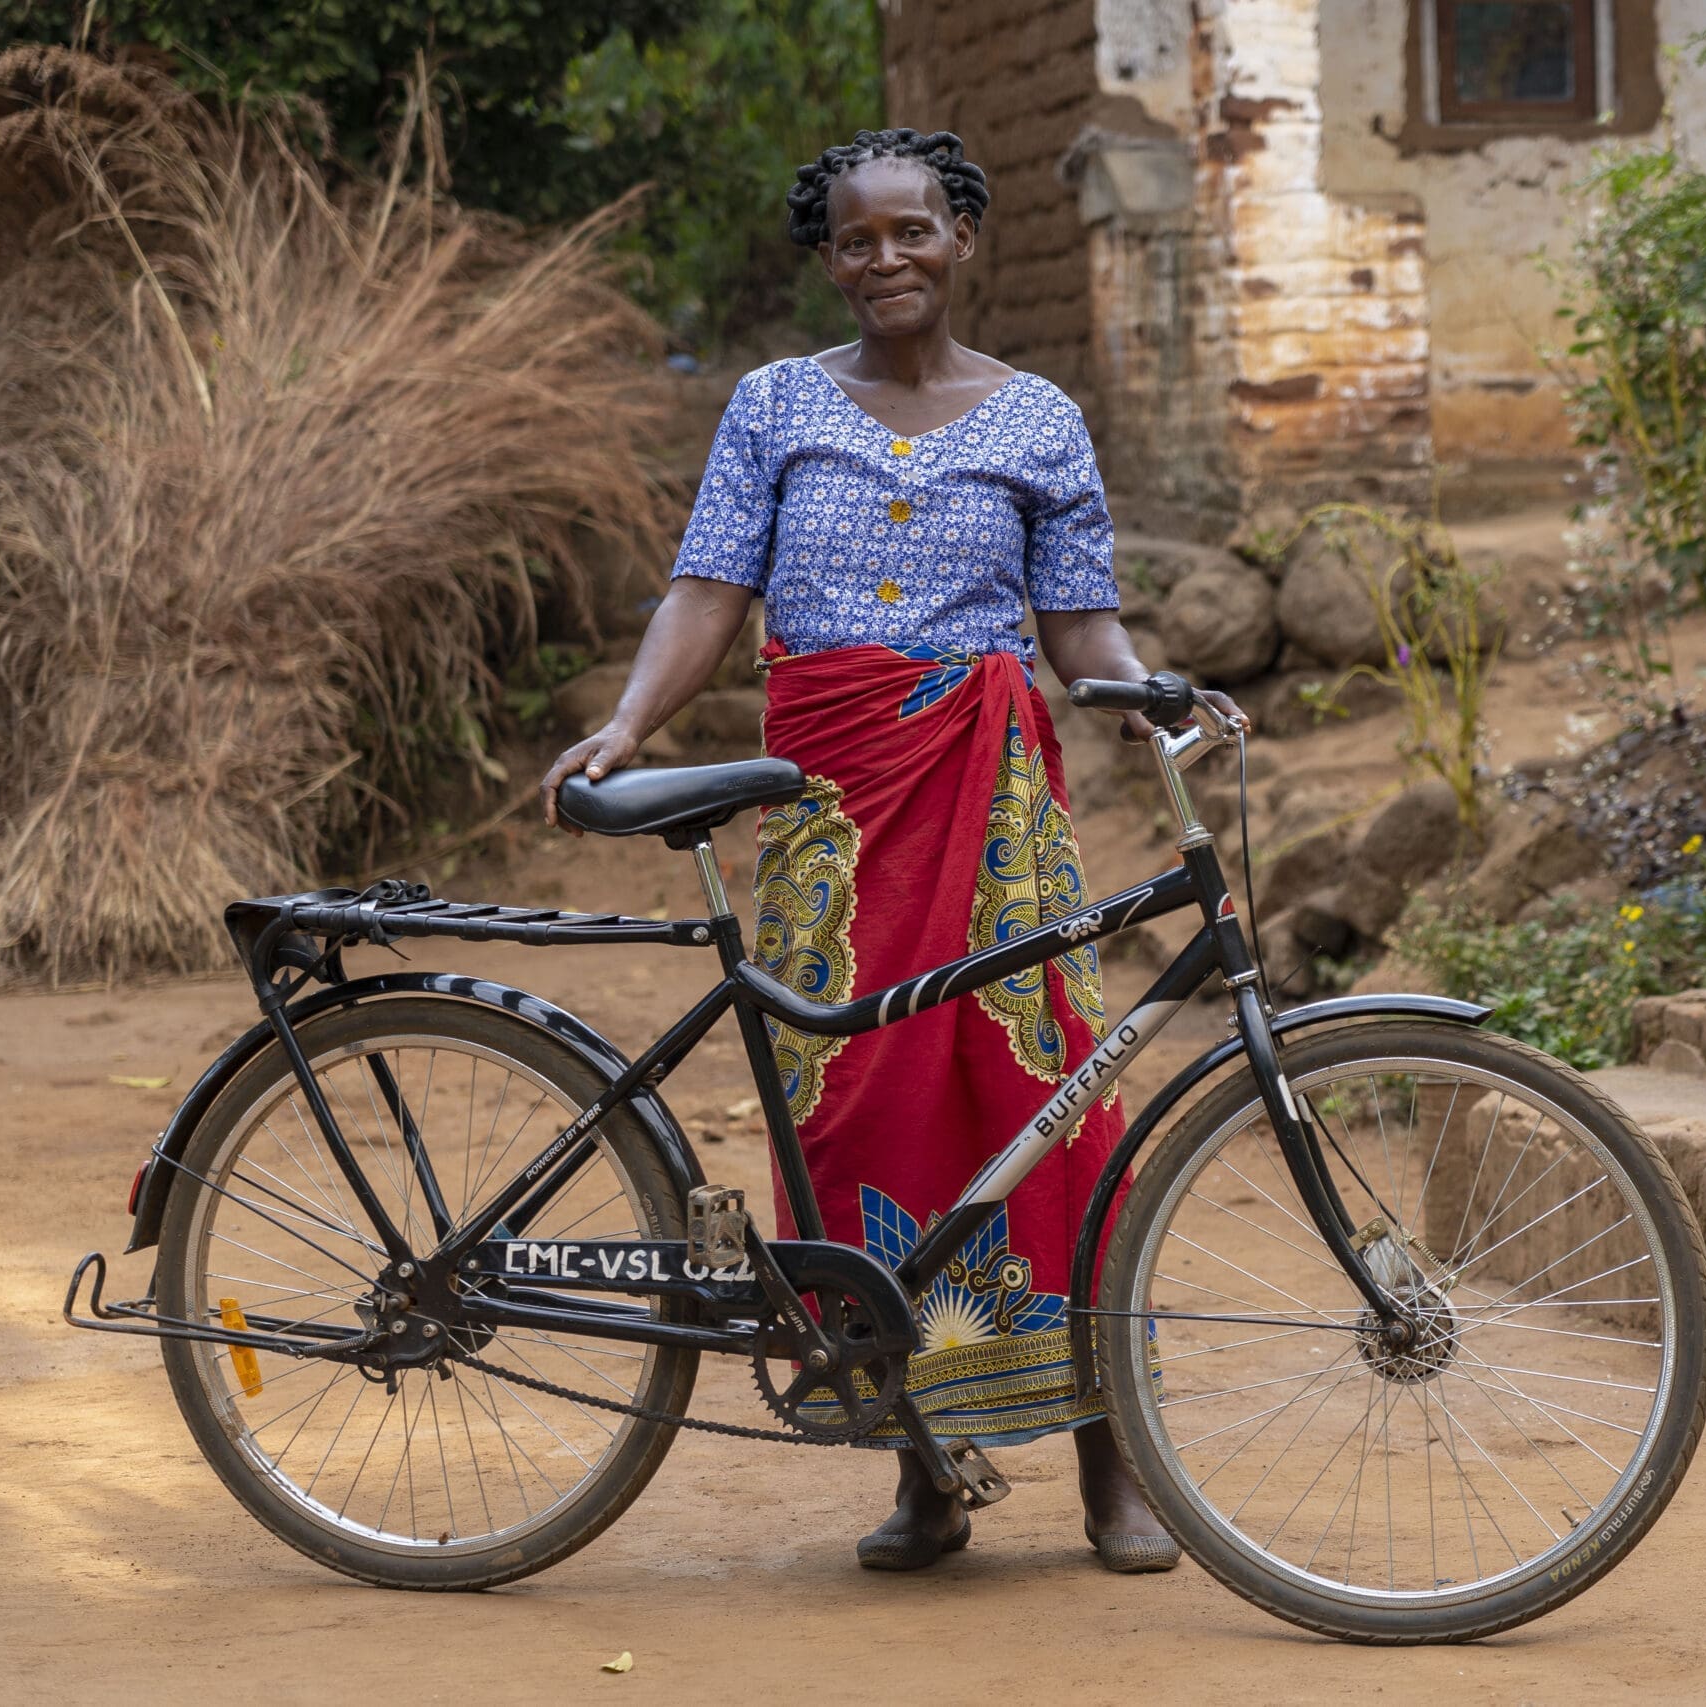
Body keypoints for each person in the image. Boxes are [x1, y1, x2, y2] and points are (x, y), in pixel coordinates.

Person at [538, 128, 1242, 1574]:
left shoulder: (1040, 416)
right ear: (830, 259)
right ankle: (923, 1470)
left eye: (912, 231)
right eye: (856, 241)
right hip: (826, 808)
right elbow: (710, 588)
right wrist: (624, 725)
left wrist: (1140, 694)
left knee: (1055, 1108)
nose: (886, 261)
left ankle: (1115, 1470)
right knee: (847, 1111)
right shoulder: (774, 404)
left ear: (963, 238)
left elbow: (1078, 624)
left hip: (992, 813)